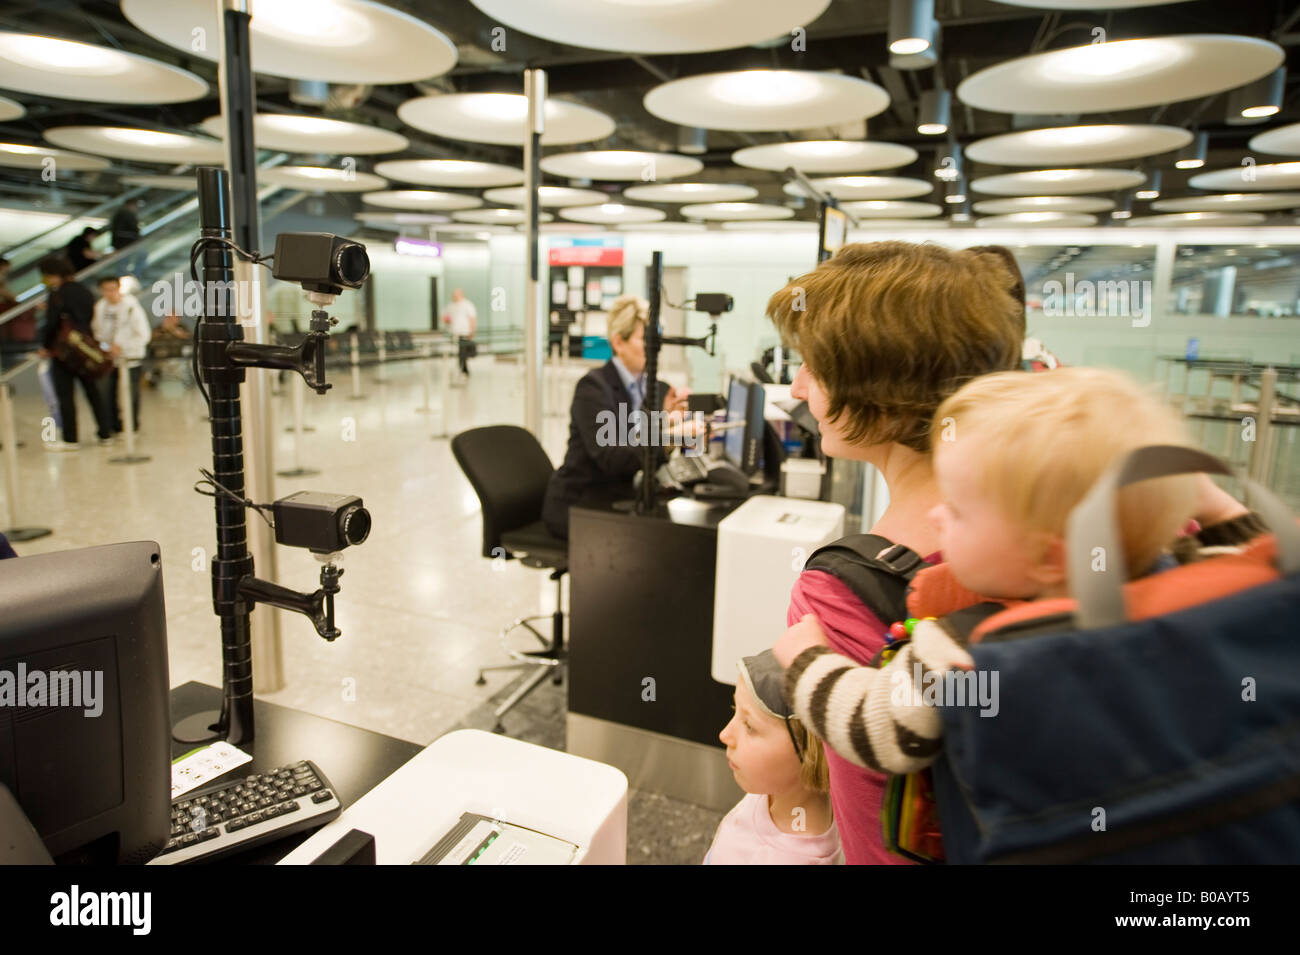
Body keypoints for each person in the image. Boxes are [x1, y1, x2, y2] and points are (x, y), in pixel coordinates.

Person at [775, 368, 1264, 785]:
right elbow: (1256, 561)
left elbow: (878, 727)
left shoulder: (973, 647)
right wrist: (1214, 503)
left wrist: (806, 660)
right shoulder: (1191, 594)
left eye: (959, 511)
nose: (938, 517)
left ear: (1048, 559)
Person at [760, 241, 1029, 864]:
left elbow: (876, 822)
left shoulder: (838, 586)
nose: (798, 386)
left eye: (813, 366)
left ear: (881, 390)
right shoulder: (1045, 533)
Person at [541, 294, 689, 539]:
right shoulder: (593, 389)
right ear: (619, 342)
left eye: (657, 342)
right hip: (581, 504)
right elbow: (612, 457)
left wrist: (675, 424)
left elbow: (643, 449)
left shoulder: (658, 388)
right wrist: (668, 437)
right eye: (645, 341)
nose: (655, 350)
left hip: (622, 495)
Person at [704, 650, 841, 865]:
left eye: (749, 726)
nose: (724, 734)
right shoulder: (775, 790)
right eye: (734, 710)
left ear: (810, 751)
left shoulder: (790, 859)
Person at [36, 254, 114, 450]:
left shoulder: (57, 293)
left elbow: (52, 323)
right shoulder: (84, 291)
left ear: (52, 274)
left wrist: (45, 346)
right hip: (85, 349)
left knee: (65, 395)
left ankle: (71, 438)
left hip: (64, 352)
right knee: (93, 391)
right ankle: (105, 432)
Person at [92, 275, 151, 434]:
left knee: (131, 393)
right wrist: (106, 348)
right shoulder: (100, 307)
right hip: (108, 358)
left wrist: (122, 347)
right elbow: (97, 333)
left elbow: (143, 335)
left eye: (113, 289)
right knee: (107, 393)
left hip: (130, 358)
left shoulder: (132, 307)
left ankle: (132, 426)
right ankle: (113, 425)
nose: (110, 293)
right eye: (106, 290)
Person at [441, 287, 477, 379]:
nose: (454, 296)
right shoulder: (450, 306)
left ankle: (463, 370)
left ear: (461, 294)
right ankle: (463, 369)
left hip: (465, 332)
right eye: (453, 295)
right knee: (459, 352)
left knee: (462, 352)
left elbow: (472, 318)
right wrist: (446, 320)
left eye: (456, 294)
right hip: (454, 332)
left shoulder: (467, 305)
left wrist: (472, 331)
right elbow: (445, 317)